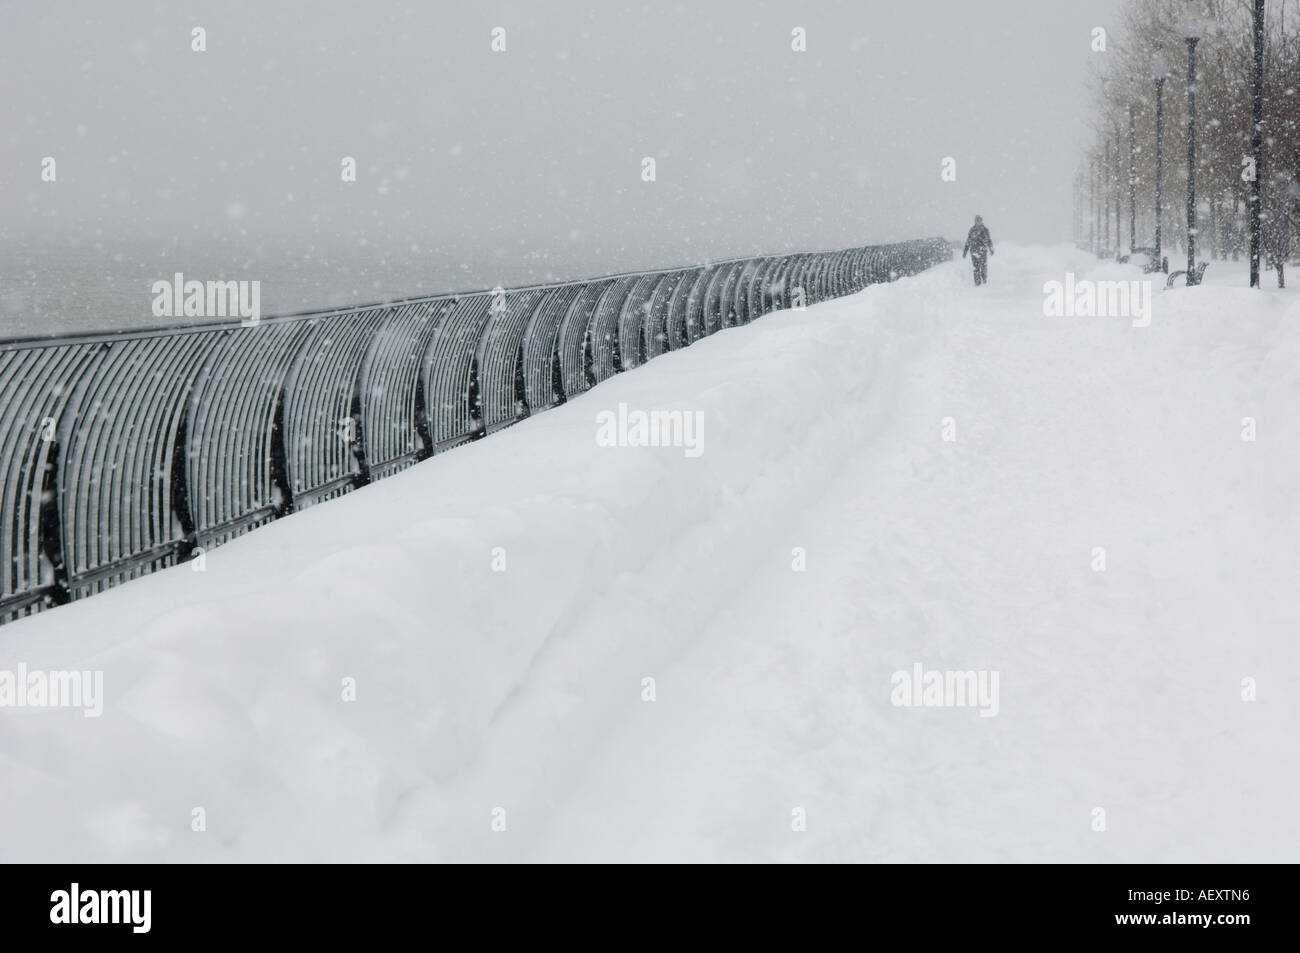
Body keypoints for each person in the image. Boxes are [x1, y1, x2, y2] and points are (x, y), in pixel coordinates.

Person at [962, 215, 994, 286]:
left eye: (980, 220)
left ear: (982, 221)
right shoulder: (972, 230)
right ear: (975, 221)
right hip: (974, 252)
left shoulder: (985, 230)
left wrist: (991, 249)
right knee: (976, 268)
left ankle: (984, 280)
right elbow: (968, 241)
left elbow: (989, 240)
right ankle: (977, 284)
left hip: (983, 251)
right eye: (977, 220)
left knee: (983, 267)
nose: (978, 222)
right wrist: (965, 251)